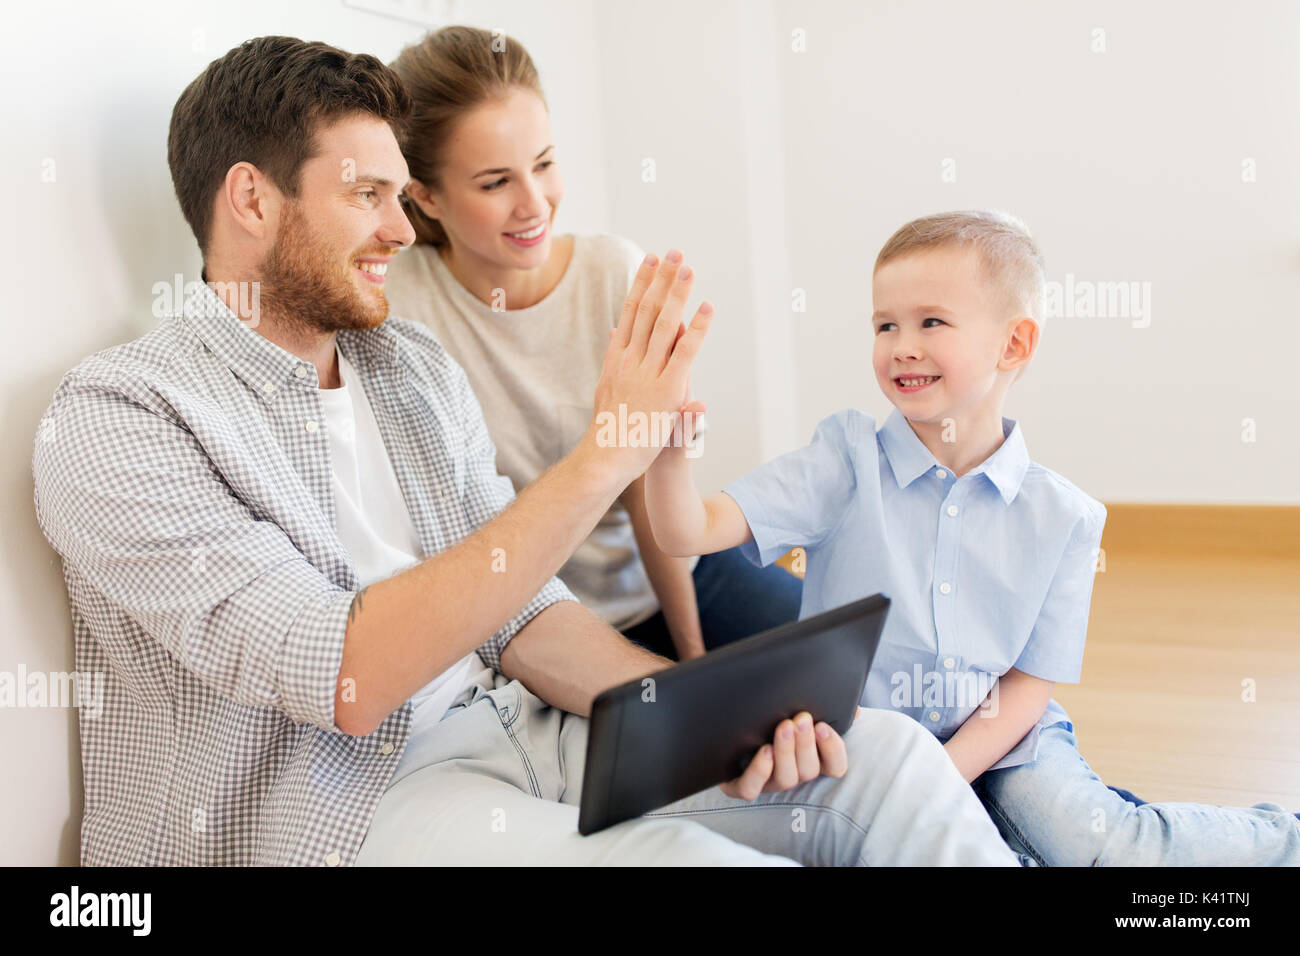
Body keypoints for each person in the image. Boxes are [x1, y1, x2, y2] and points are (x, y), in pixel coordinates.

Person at [31, 37, 1018, 866]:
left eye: (398, 193)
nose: (396, 224)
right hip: (353, 809)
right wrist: (608, 449)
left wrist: (704, 723)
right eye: (368, 193)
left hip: (511, 728)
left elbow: (524, 613)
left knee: (882, 755)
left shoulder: (404, 366)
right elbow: (341, 676)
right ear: (251, 199)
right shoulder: (126, 415)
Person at [643, 209, 1300, 865]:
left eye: (931, 321)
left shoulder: (1065, 516)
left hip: (1006, 744)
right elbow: (686, 531)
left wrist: (938, 780)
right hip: (867, 756)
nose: (901, 344)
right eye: (885, 324)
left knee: (1101, 845)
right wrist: (669, 453)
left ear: (1013, 345)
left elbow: (1028, 685)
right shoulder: (842, 463)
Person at [381, 25, 801, 662]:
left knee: (847, 664)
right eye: (495, 183)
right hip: (531, 618)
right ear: (426, 197)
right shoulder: (401, 305)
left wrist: (692, 658)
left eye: (545, 164)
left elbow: (644, 484)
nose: (535, 204)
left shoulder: (611, 275)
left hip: (669, 575)